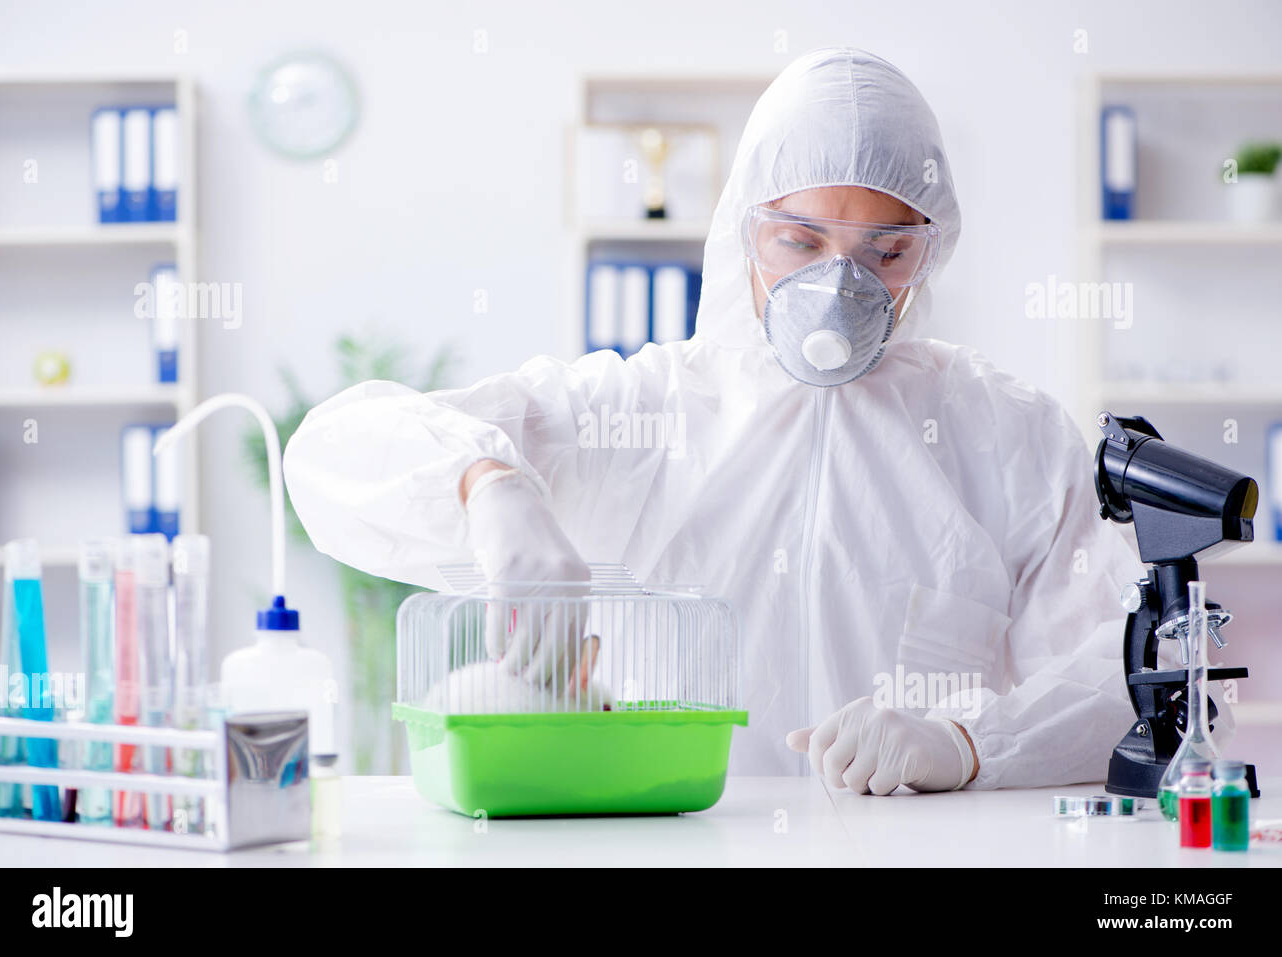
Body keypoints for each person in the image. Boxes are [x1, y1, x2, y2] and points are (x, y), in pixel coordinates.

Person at [283, 48, 1147, 793]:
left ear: (931, 251)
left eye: (885, 252)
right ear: (745, 233)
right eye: (800, 242)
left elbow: (1136, 670)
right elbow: (329, 454)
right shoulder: (636, 412)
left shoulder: (1005, 435)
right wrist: (488, 482)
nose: (839, 287)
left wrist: (968, 745)